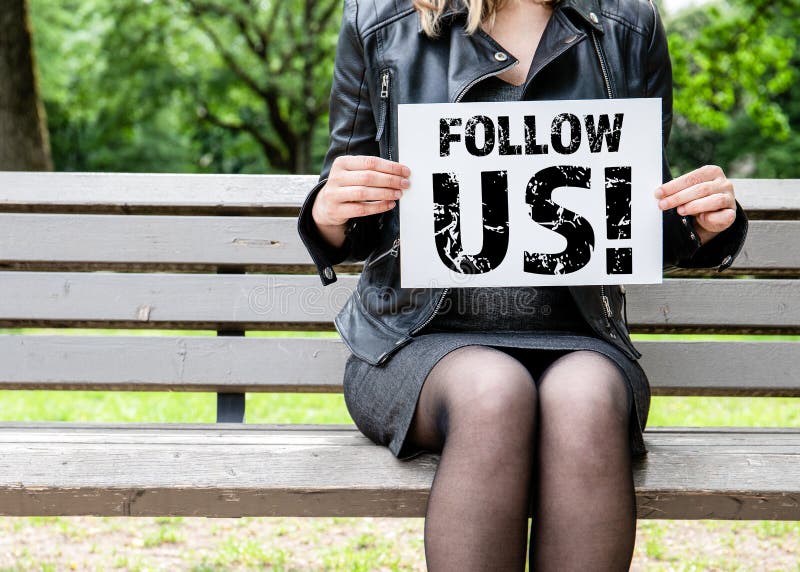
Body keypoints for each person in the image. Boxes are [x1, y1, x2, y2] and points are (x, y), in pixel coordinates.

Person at [297, 0, 749, 569]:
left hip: (581, 337)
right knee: (495, 391)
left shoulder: (629, 23)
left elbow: (636, 214)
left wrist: (706, 225)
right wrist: (330, 212)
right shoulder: (380, 18)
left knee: (582, 400)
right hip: (412, 340)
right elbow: (353, 214)